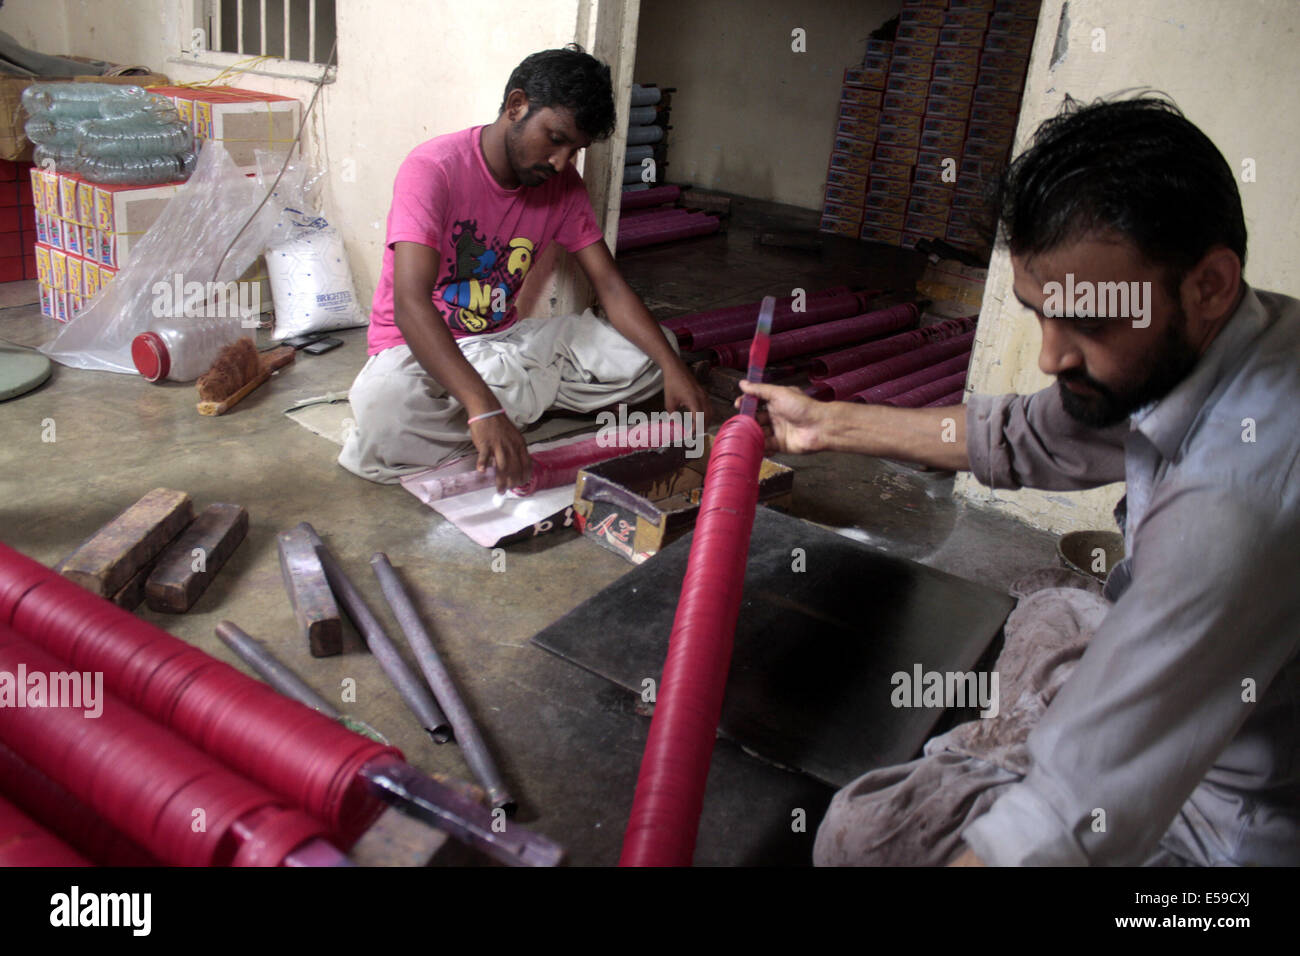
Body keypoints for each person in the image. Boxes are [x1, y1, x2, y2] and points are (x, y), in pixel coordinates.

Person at [739, 94, 1300, 866]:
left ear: (1208, 283)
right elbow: (1035, 432)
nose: (1049, 357)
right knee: (1056, 612)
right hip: (1218, 696)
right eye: (1041, 313)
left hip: (1229, 832)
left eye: (1088, 322)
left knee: (860, 839)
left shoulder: (1235, 506)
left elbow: (1072, 814)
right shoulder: (1238, 333)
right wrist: (827, 424)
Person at [340, 45, 708, 490]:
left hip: (509, 341)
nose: (561, 162)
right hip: (420, 349)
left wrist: (673, 368)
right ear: (516, 106)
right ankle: (499, 407)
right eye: (555, 139)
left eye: (575, 149)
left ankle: (498, 406)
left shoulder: (564, 186)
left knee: (654, 351)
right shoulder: (433, 168)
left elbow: (610, 287)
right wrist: (483, 407)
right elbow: (409, 304)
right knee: (385, 410)